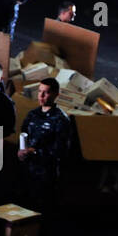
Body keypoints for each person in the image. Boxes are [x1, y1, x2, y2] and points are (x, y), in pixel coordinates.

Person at [17, 77, 76, 215]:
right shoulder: (32, 115)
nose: (42, 96)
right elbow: (23, 135)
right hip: (27, 171)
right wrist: (20, 152)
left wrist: (36, 152)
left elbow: (61, 151)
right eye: (40, 91)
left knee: (43, 212)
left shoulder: (61, 120)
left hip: (46, 175)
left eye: (47, 92)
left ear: (56, 95)